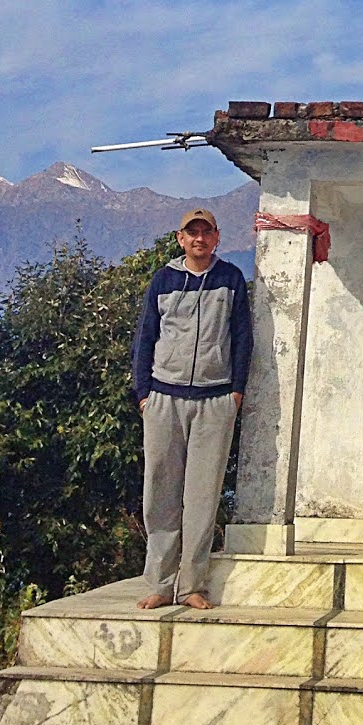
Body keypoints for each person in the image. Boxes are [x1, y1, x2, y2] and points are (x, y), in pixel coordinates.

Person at [131, 210, 252, 610]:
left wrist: (235, 392)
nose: (199, 239)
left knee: (202, 498)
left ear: (217, 237)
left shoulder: (231, 279)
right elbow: (145, 337)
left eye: (206, 232)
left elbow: (242, 338)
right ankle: (160, 584)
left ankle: (192, 587)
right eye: (192, 233)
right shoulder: (163, 280)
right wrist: (144, 394)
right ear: (180, 238)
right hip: (164, 399)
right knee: (160, 494)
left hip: (214, 401)